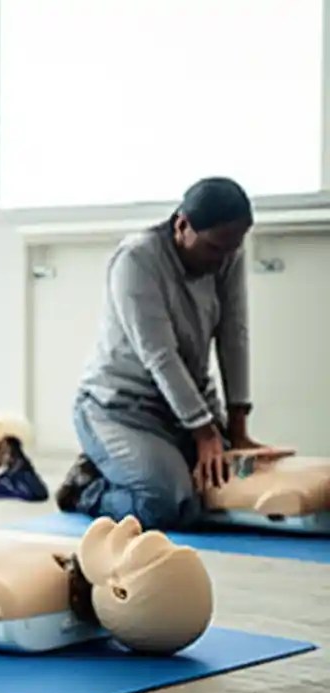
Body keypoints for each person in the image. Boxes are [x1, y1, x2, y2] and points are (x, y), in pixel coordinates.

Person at [57, 177, 262, 531]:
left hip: (184, 408)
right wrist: (206, 433)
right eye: (215, 248)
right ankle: (86, 488)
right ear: (182, 225)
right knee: (170, 504)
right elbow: (159, 355)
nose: (223, 259)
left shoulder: (227, 254)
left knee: (221, 484)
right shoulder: (137, 259)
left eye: (233, 247)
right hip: (119, 410)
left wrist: (237, 428)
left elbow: (234, 336)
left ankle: (151, 465)